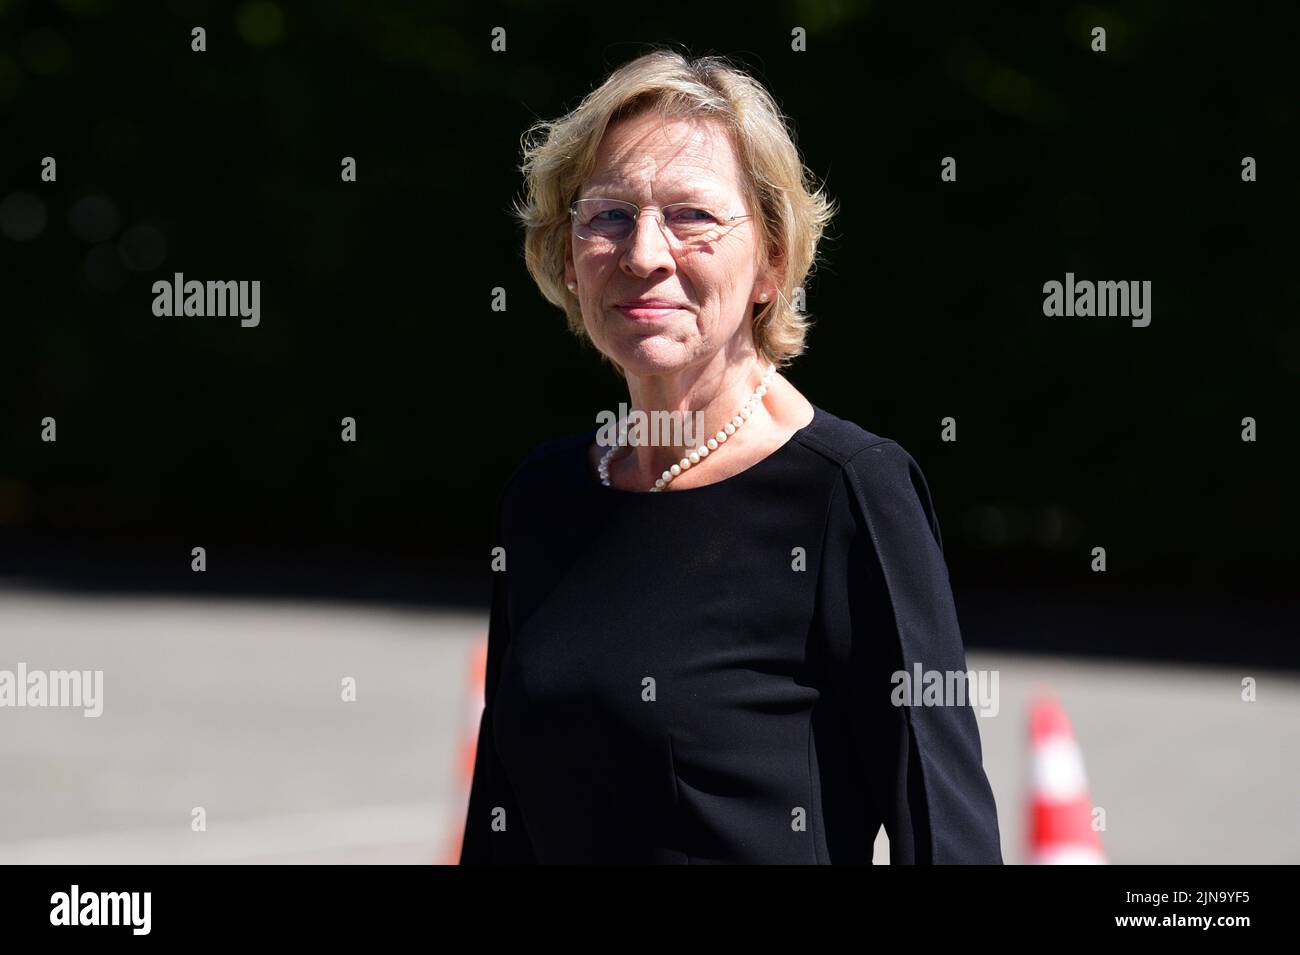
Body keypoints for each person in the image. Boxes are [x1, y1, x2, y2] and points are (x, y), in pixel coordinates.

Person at [460, 48, 1002, 864]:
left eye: (691, 216)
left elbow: (945, 829)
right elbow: (500, 824)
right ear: (567, 257)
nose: (644, 253)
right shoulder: (543, 497)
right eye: (606, 214)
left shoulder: (849, 492)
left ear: (773, 263)